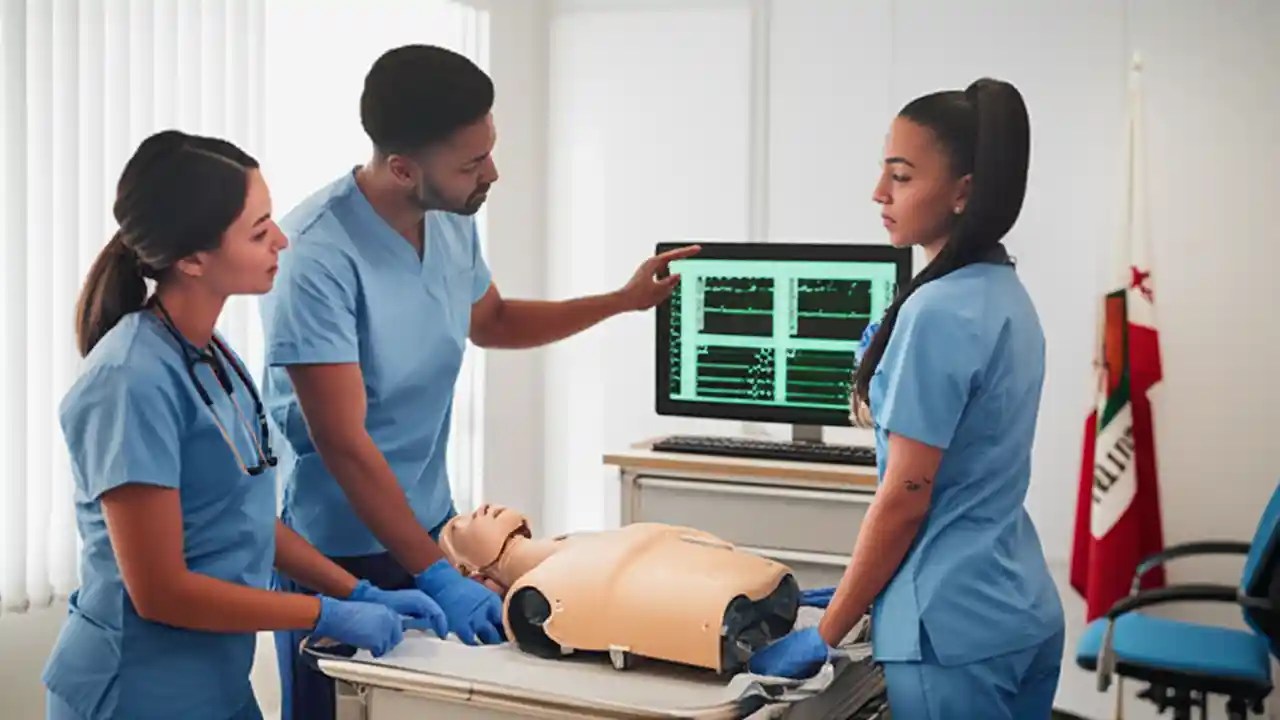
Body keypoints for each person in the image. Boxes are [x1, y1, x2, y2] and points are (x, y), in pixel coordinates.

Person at [259, 44, 698, 720]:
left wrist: (621, 301)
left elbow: (491, 320)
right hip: (338, 548)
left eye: (488, 151)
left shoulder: (447, 220)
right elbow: (343, 443)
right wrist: (434, 573)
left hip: (427, 524)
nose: (492, 172)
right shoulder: (315, 256)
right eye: (471, 164)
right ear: (402, 168)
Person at [43, 130, 452, 720]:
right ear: (192, 259)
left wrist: (358, 590)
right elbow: (160, 592)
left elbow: (246, 517)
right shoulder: (129, 380)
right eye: (259, 232)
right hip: (136, 692)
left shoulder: (211, 355)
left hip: (217, 684)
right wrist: (324, 613)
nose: (281, 239)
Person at [745, 78, 1065, 719]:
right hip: (1019, 610)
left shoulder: (937, 311)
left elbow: (904, 501)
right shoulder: (1005, 292)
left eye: (901, 176)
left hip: (950, 631)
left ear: (962, 192)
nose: (879, 193)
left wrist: (827, 630)